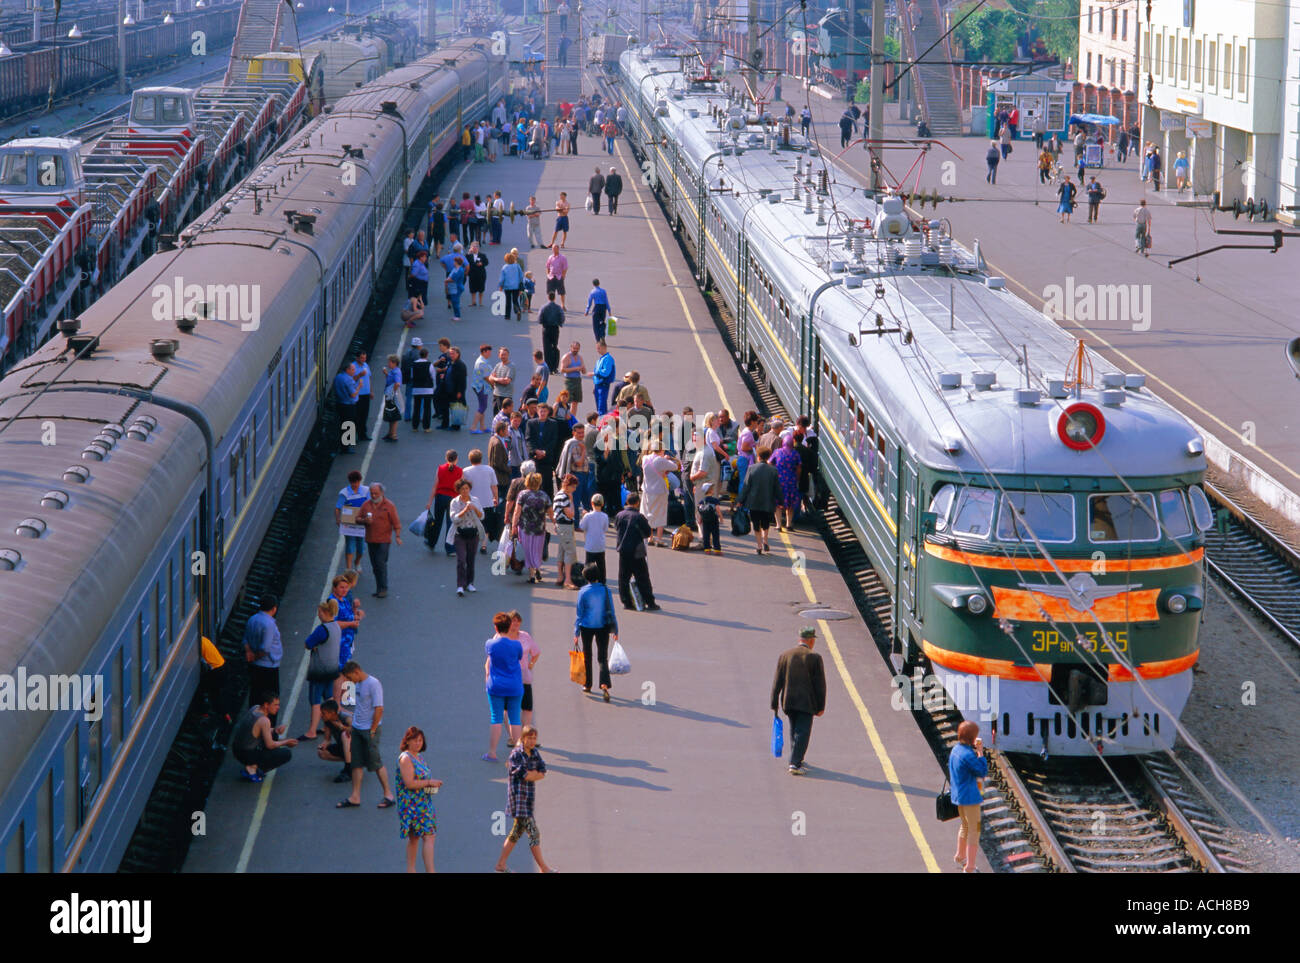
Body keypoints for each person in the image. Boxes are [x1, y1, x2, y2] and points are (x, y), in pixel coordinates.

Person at [493, 726, 555, 873]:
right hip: (518, 801)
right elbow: (524, 775)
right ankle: (544, 868)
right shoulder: (516, 754)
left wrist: (534, 774)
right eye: (530, 738)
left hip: (528, 800)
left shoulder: (535, 753)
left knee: (516, 833)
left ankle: (500, 865)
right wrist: (534, 774)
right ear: (523, 738)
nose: (533, 741)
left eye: (535, 738)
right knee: (533, 833)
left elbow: (543, 771)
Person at [337, 661, 395, 808]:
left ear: (357, 672)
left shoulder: (373, 684)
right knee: (356, 763)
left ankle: (388, 794)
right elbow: (353, 704)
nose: (350, 681)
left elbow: (379, 708)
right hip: (357, 728)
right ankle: (355, 796)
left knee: (375, 762)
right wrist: (353, 725)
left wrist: (373, 729)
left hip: (370, 729)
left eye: (350, 677)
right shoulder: (356, 684)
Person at [770, 627, 827, 776]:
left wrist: (774, 703)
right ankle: (794, 763)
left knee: (794, 729)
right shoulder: (814, 657)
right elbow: (820, 685)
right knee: (803, 732)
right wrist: (821, 706)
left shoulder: (785, 655)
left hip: (788, 701)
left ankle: (797, 758)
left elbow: (777, 681)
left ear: (799, 639)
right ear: (811, 640)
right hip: (806, 703)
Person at [396, 726, 441, 872]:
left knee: (416, 838)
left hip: (423, 803)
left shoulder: (418, 757)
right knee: (428, 836)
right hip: (412, 806)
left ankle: (411, 870)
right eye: (414, 740)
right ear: (407, 741)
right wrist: (429, 783)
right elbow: (409, 783)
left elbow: (420, 780)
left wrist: (431, 787)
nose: (418, 743)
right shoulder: (405, 758)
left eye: (420, 740)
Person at [573, 562, 618, 700]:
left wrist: (576, 632)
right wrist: (615, 629)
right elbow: (611, 610)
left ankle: (587, 684)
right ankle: (604, 684)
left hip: (586, 627)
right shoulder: (606, 590)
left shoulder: (583, 591)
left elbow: (579, 613)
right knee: (602, 657)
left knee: (587, 656)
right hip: (603, 626)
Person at [485, 611, 525, 760]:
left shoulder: (490, 644)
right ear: (509, 627)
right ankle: (519, 753)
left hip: (496, 685)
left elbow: (489, 658)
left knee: (496, 718)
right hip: (514, 685)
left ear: (496, 628)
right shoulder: (516, 645)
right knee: (515, 719)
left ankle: (492, 752)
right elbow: (520, 657)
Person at [949, 720, 988, 872]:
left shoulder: (956, 750)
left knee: (965, 826)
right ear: (972, 737)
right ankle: (970, 866)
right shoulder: (968, 755)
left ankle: (960, 856)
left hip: (959, 796)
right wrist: (980, 752)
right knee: (975, 830)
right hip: (970, 798)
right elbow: (982, 771)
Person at [231, 692, 297, 782]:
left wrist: (275, 730)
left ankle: (252, 765)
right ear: (266, 705)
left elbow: (256, 730)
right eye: (275, 705)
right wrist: (286, 742)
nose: (278, 707)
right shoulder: (264, 720)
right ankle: (253, 767)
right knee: (286, 754)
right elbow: (270, 745)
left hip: (236, 749)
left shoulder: (255, 708)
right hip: (247, 754)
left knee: (274, 735)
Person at [301, 599, 342, 740]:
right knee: (329, 698)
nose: (318, 615)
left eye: (319, 612)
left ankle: (312, 731)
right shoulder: (336, 626)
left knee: (315, 700)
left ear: (325, 612)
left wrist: (315, 646)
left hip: (319, 671)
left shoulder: (322, 629)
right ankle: (329, 725)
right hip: (332, 669)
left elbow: (308, 643)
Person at [615, 491, 659, 610]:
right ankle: (650, 602)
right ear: (637, 503)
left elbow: (617, 528)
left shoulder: (620, 515)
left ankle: (626, 602)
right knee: (643, 577)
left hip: (623, 550)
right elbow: (647, 532)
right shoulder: (639, 517)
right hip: (637, 551)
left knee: (623, 578)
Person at [356, 481, 401, 597]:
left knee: (381, 563)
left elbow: (396, 522)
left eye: (376, 493)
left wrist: (397, 536)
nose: (374, 496)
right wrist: (364, 521)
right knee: (375, 565)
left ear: (382, 492)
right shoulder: (366, 505)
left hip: (384, 540)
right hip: (371, 540)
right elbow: (357, 519)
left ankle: (383, 588)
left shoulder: (389, 506)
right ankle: (378, 587)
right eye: (372, 493)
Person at [243, 594, 282, 718]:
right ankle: (269, 730)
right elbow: (265, 648)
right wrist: (256, 656)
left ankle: (253, 723)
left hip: (255, 666)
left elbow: (245, 639)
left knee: (255, 696)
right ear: (274, 608)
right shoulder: (269, 624)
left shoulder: (252, 619)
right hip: (268, 666)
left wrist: (249, 652)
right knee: (271, 700)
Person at [513, 472, 553, 583]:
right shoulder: (544, 495)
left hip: (525, 527)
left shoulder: (522, 494)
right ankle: (538, 569)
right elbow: (550, 512)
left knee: (528, 550)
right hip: (539, 528)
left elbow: (517, 512)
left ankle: (531, 575)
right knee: (537, 550)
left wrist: (513, 525)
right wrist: (554, 523)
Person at [740, 446, 780, 553]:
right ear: (768, 457)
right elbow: (777, 488)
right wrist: (781, 501)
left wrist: (740, 500)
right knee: (766, 522)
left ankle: (759, 546)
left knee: (756, 523)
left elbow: (746, 486)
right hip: (768, 501)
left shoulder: (751, 468)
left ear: (758, 456)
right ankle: (765, 540)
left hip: (754, 501)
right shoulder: (773, 470)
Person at [639, 443, 680, 546]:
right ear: (661, 450)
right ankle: (659, 539)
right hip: (659, 491)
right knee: (660, 514)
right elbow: (675, 467)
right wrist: (666, 459)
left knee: (648, 514)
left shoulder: (645, 458)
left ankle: (650, 537)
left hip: (647, 490)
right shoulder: (661, 460)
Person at [424, 449, 463, 557]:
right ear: (456, 459)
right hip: (453, 499)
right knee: (451, 524)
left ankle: (432, 543)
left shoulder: (440, 469)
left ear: (446, 458)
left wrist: (429, 502)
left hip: (440, 498)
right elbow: (460, 488)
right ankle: (450, 549)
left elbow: (435, 486)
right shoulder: (460, 471)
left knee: (437, 521)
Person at [449, 479, 485, 595]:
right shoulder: (455, 502)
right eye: (462, 489)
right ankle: (460, 585)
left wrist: (474, 508)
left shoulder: (475, 500)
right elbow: (454, 518)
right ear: (459, 490)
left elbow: (482, 516)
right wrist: (464, 510)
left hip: (473, 534)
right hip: (460, 534)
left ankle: (470, 583)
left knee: (471, 560)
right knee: (461, 559)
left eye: (467, 489)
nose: (465, 491)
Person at [462, 447, 499, 545]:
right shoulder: (489, 469)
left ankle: (472, 541)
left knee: (472, 523)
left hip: (472, 502)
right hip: (487, 501)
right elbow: (494, 486)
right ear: (481, 459)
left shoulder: (465, 471)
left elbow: (463, 488)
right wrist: (496, 498)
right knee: (486, 524)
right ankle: (484, 545)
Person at [552, 473, 581, 588]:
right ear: (567, 485)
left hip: (560, 525)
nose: (574, 489)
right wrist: (572, 502)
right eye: (573, 486)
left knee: (562, 551)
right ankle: (568, 579)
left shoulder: (559, 494)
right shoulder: (565, 496)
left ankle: (560, 576)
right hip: (565, 526)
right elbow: (570, 514)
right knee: (570, 551)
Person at [771, 434, 802, 532]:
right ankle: (788, 524)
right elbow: (799, 468)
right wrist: (797, 478)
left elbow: (769, 462)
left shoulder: (777, 452)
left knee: (777, 503)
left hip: (779, 480)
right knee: (790, 504)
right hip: (791, 481)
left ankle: (778, 525)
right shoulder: (796, 454)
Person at [579, 492, 609, 582]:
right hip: (600, 545)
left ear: (592, 503)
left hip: (590, 545)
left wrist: (582, 516)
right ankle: (602, 581)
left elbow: (582, 526)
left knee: (588, 564)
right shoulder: (605, 516)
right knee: (601, 565)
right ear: (602, 504)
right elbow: (605, 529)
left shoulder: (588, 516)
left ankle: (588, 580)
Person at [438, 346, 467, 431]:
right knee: (445, 406)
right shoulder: (451, 362)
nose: (451, 355)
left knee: (456, 408)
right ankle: (445, 424)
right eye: (450, 353)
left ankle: (456, 426)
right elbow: (449, 373)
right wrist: (445, 375)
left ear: (458, 354)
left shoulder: (460, 365)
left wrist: (460, 392)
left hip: (455, 390)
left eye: (453, 353)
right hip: (447, 389)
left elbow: (462, 380)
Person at [333, 362, 360, 453]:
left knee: (342, 424)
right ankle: (347, 447)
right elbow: (353, 394)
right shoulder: (348, 379)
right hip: (349, 405)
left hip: (340, 403)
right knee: (349, 425)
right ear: (347, 370)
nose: (354, 371)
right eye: (352, 369)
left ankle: (342, 445)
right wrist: (359, 387)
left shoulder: (338, 377)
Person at [409, 346, 436, 432]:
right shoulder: (429, 364)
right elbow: (433, 376)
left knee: (416, 407)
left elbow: (412, 376)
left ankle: (415, 426)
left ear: (420, 355)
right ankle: (426, 427)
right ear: (427, 355)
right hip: (427, 389)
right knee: (427, 408)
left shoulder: (414, 364)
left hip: (417, 389)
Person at [470, 343, 494, 433]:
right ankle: (473, 427)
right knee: (482, 407)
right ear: (484, 352)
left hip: (480, 386)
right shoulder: (482, 362)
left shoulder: (483, 360)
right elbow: (487, 377)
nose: (490, 354)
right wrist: (494, 385)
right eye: (488, 352)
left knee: (482, 406)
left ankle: (482, 427)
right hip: (481, 387)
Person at [590, 339, 616, 416]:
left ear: (604, 347)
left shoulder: (608, 358)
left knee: (601, 405)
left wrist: (595, 373)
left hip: (603, 384)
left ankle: (602, 422)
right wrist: (595, 386)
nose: (597, 350)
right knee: (598, 406)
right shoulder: (600, 359)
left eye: (598, 348)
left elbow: (605, 373)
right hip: (598, 385)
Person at [489, 346, 516, 414]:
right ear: (499, 355)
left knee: (505, 416)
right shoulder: (497, 365)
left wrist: (494, 379)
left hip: (506, 396)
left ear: (508, 355)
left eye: (505, 354)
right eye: (502, 354)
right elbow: (490, 378)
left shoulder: (511, 366)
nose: (503, 356)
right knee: (496, 415)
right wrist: (498, 379)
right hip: (496, 395)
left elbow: (506, 381)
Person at [499, 250, 525, 321]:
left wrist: (501, 286)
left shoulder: (504, 267)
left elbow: (502, 278)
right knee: (515, 300)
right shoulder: (517, 266)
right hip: (516, 286)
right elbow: (521, 276)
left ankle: (507, 316)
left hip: (507, 287)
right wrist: (521, 285)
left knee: (508, 301)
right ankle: (517, 310)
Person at [353, 352, 373, 441]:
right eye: (361, 358)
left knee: (364, 415)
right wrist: (360, 375)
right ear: (357, 358)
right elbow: (350, 380)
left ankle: (362, 434)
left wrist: (371, 391)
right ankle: (355, 435)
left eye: (365, 358)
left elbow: (369, 378)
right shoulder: (352, 367)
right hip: (357, 395)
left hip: (366, 394)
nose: (363, 360)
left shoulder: (365, 365)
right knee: (357, 415)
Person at [697, 482, 722, 554]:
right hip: (714, 520)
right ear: (710, 490)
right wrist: (721, 518)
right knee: (715, 535)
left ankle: (707, 549)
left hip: (705, 520)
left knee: (706, 535)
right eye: (712, 489)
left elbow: (701, 511)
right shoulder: (715, 500)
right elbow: (718, 510)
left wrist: (700, 519)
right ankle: (717, 549)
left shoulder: (702, 501)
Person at [545, 244, 569, 311]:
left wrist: (563, 276)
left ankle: (563, 305)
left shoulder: (563, 257)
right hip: (551, 277)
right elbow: (547, 266)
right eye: (553, 248)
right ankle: (551, 305)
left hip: (559, 276)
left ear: (558, 249)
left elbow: (565, 267)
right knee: (550, 292)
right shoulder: (550, 257)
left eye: (555, 248)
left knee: (562, 292)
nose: (554, 250)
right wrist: (548, 274)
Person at [466, 242, 489, 308]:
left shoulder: (482, 255)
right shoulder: (469, 255)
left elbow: (487, 262)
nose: (474, 248)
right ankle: (473, 302)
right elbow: (464, 261)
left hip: (481, 274)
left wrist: (482, 263)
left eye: (476, 247)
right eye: (473, 247)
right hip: (472, 274)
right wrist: (468, 252)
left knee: (481, 288)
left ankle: (480, 302)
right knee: (472, 288)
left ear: (478, 248)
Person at [446, 255, 466, 322]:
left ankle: (457, 316)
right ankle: (456, 315)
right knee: (454, 301)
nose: (453, 263)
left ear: (457, 262)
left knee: (455, 301)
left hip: (457, 287)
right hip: (453, 287)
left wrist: (447, 280)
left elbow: (454, 279)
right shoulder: (455, 268)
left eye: (454, 261)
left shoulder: (460, 270)